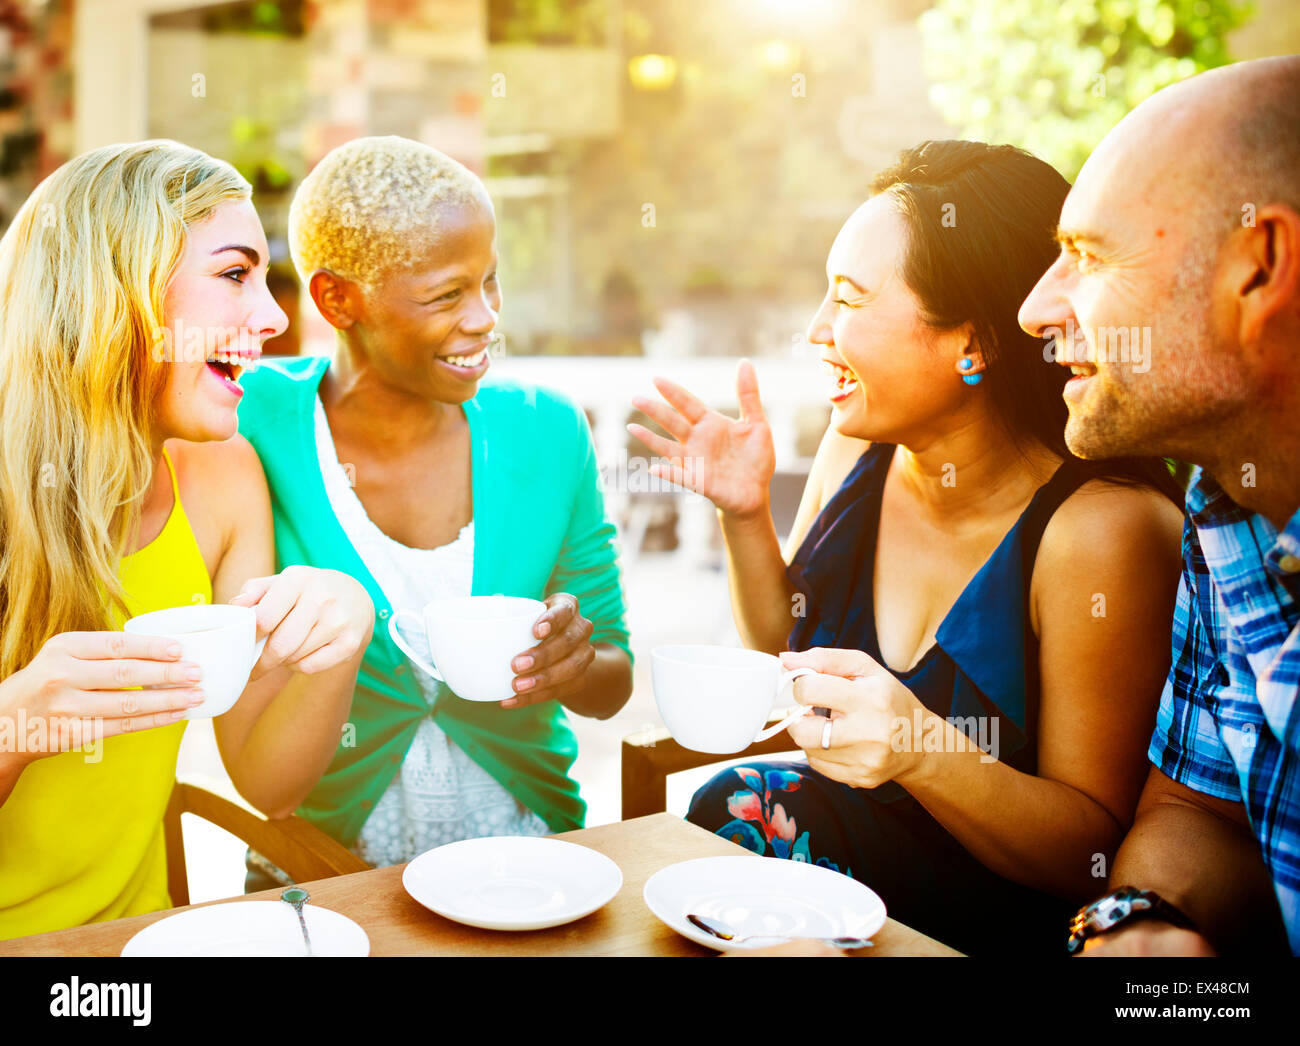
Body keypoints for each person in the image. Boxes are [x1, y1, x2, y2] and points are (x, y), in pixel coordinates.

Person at [630, 140, 1186, 956]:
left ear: (975, 344)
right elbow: (789, 650)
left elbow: (1093, 856)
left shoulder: (1100, 531)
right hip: (847, 885)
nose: (816, 330)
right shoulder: (858, 447)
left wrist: (921, 753)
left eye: (848, 300)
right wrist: (743, 516)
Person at [0, 140, 374, 939]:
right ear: (113, 292)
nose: (274, 318)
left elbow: (268, 783)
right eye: (235, 274)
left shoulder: (223, 478)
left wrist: (342, 632)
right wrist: (13, 728)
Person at [235, 136, 632, 877]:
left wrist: (572, 666)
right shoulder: (251, 422)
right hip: (322, 869)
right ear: (336, 300)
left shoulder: (546, 431)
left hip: (526, 859)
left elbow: (614, 681)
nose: (484, 318)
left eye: (490, 282)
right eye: (447, 295)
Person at [1019, 56, 1300, 957]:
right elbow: (1201, 812)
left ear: (1258, 267)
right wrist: (1138, 926)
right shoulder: (1225, 511)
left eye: (1089, 257)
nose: (1034, 310)